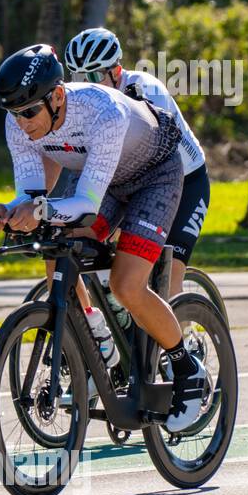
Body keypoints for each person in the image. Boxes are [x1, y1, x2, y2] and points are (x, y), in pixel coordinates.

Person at [0, 43, 208, 432]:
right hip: (110, 180)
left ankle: (187, 368)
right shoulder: (21, 122)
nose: (22, 123)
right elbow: (32, 196)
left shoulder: (102, 110)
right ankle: (96, 332)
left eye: (30, 111)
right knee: (54, 242)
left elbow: (84, 202)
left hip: (156, 176)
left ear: (58, 96)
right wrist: (7, 213)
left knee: (126, 284)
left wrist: (37, 213)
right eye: (14, 114)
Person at [64, 27, 209, 295]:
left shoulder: (145, 89)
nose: (85, 84)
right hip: (123, 181)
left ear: (116, 72)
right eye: (77, 76)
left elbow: (152, 157)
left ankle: (180, 332)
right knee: (75, 240)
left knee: (169, 275)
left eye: (94, 75)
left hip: (183, 181)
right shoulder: (79, 102)